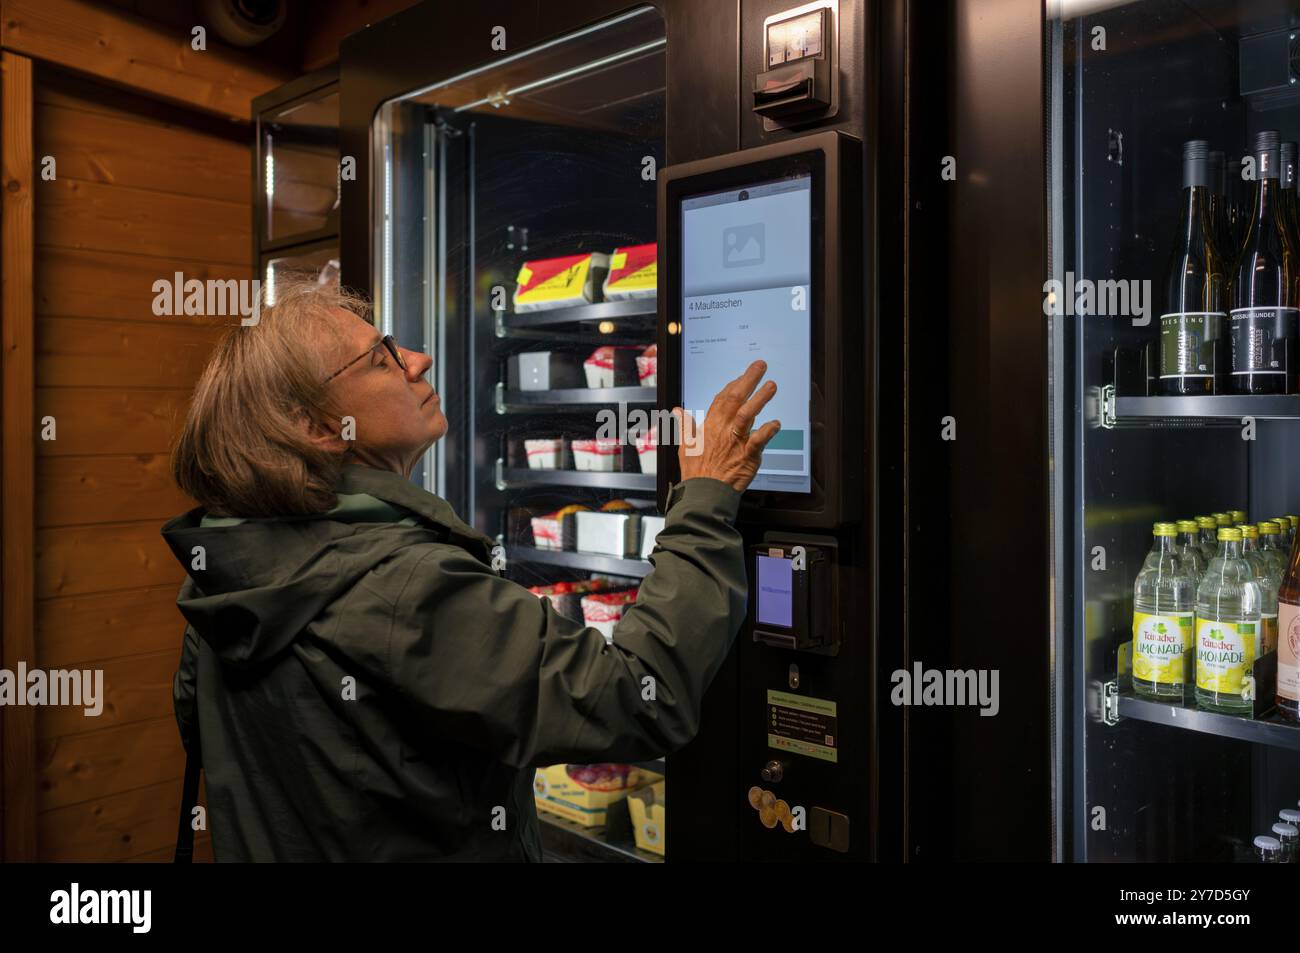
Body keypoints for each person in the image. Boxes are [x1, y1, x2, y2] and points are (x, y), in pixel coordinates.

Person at [164, 281, 780, 861]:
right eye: (380, 358)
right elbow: (637, 700)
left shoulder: (224, 573)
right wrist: (704, 502)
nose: (419, 359)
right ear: (316, 427)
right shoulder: (403, 589)